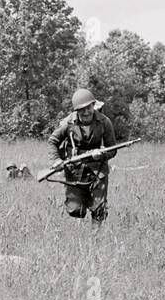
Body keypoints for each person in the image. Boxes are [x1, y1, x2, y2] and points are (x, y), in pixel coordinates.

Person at [46, 88, 117, 223]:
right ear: (76, 111)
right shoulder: (67, 124)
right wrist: (56, 159)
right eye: (81, 109)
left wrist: (101, 155)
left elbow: (113, 149)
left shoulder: (104, 122)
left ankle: (96, 237)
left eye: (88, 108)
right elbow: (52, 141)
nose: (86, 112)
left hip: (98, 169)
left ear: (93, 106)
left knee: (99, 210)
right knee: (75, 210)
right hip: (74, 169)